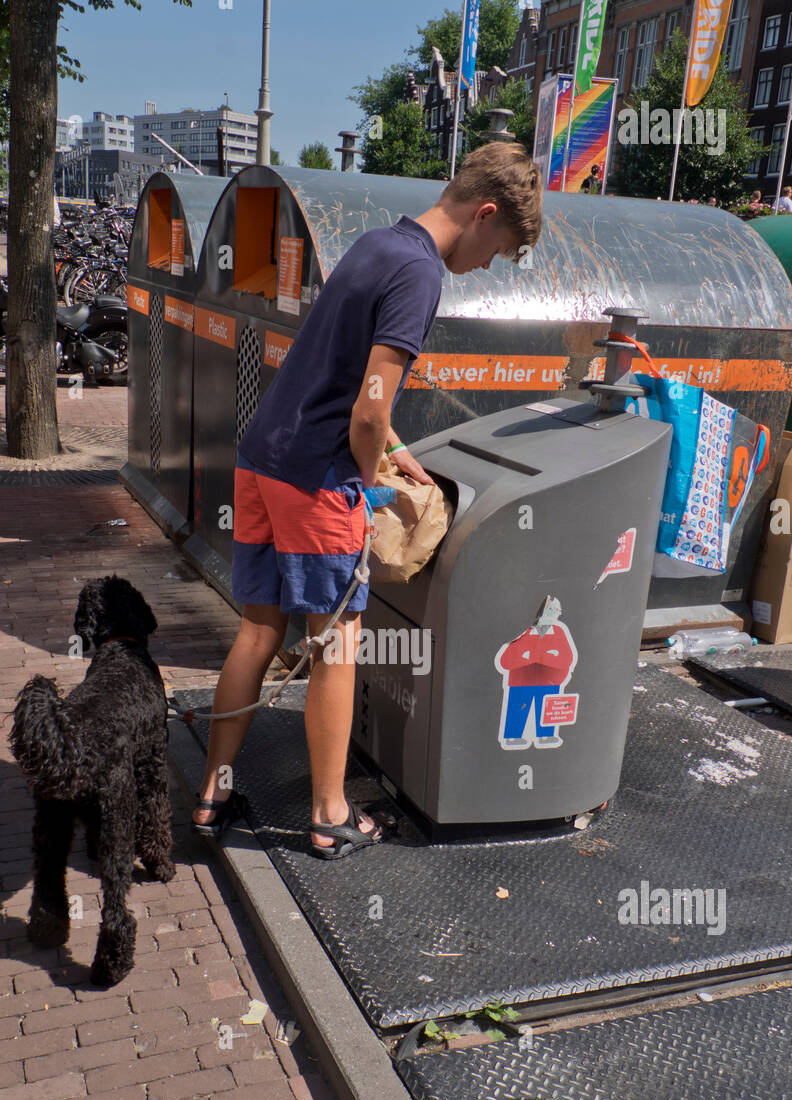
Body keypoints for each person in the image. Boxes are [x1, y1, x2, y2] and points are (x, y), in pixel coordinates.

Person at [192, 142, 543, 855]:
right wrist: (364, 479)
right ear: (484, 214)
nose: (486, 265)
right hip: (316, 476)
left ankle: (212, 797)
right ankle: (329, 816)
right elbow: (366, 412)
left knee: (259, 632)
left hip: (265, 456)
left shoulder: (379, 244)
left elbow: (349, 381)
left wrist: (393, 448)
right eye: (498, 248)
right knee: (334, 646)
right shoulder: (421, 276)